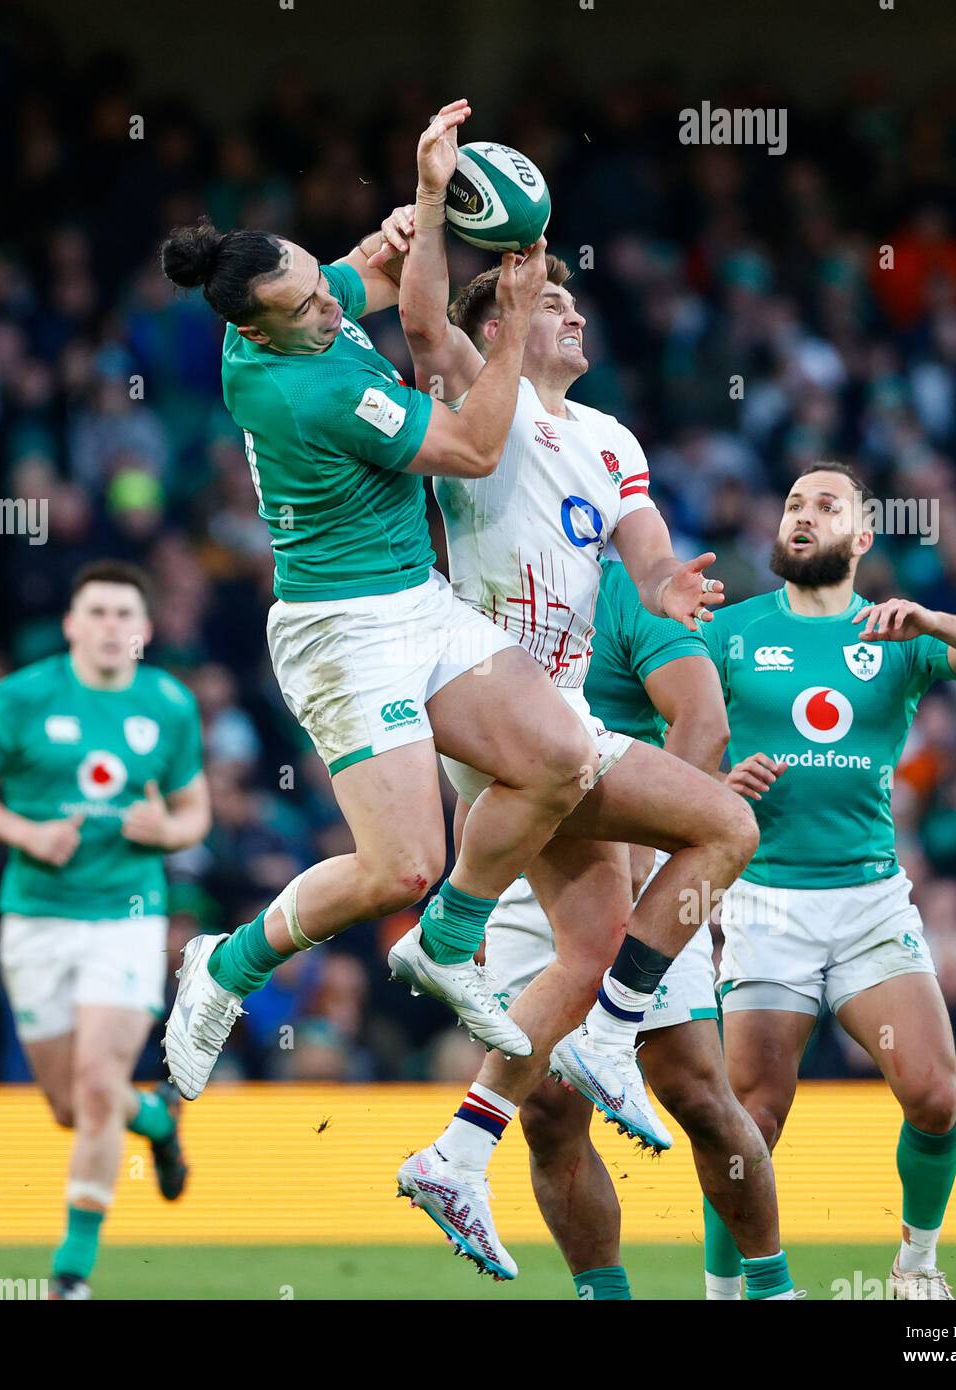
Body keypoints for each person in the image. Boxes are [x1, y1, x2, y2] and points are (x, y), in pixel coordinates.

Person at [390, 102, 771, 1286]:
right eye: (551, 297)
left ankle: (458, 1148)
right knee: (725, 822)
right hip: (497, 706)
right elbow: (415, 316)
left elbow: (646, 556)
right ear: (501, 312)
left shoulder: (606, 436)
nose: (570, 305)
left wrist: (673, 583)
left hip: (560, 715)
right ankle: (595, 1027)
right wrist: (431, 187)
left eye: (572, 299)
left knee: (595, 938)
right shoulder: (475, 389)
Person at [160, 98, 604, 1106]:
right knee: (401, 865)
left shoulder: (284, 310)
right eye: (312, 305)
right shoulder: (306, 391)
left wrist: (424, 199)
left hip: (420, 598)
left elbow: (373, 267)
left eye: (324, 285)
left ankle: (450, 943)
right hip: (343, 634)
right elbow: (475, 446)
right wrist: (512, 330)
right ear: (254, 331)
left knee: (560, 758)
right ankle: (225, 965)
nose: (332, 304)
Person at [687, 462, 956, 1300]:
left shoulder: (898, 633)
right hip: (768, 902)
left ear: (862, 536)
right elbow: (671, 742)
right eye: (794, 504)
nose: (803, 515)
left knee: (934, 1095)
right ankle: (723, 1294)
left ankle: (915, 1267)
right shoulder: (725, 633)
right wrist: (713, 787)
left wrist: (933, 619)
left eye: (826, 505)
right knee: (751, 1125)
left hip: (872, 902)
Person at [481, 556, 788, 1300]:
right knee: (550, 1113)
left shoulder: (623, 588)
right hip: (521, 869)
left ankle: (773, 1290)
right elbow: (471, 752)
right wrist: (473, 895)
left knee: (695, 1093)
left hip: (626, 870)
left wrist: (651, 850)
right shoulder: (463, 591)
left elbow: (702, 718)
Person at [0, 560, 211, 1299]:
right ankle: (153, 1119)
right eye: (98, 612)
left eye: (125, 614)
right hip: (35, 919)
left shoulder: (170, 705)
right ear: (71, 625)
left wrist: (167, 829)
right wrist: (23, 830)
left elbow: (195, 813)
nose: (112, 626)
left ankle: (70, 1275)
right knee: (68, 1105)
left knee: (94, 1086)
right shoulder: (23, 696)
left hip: (126, 918)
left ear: (145, 631)